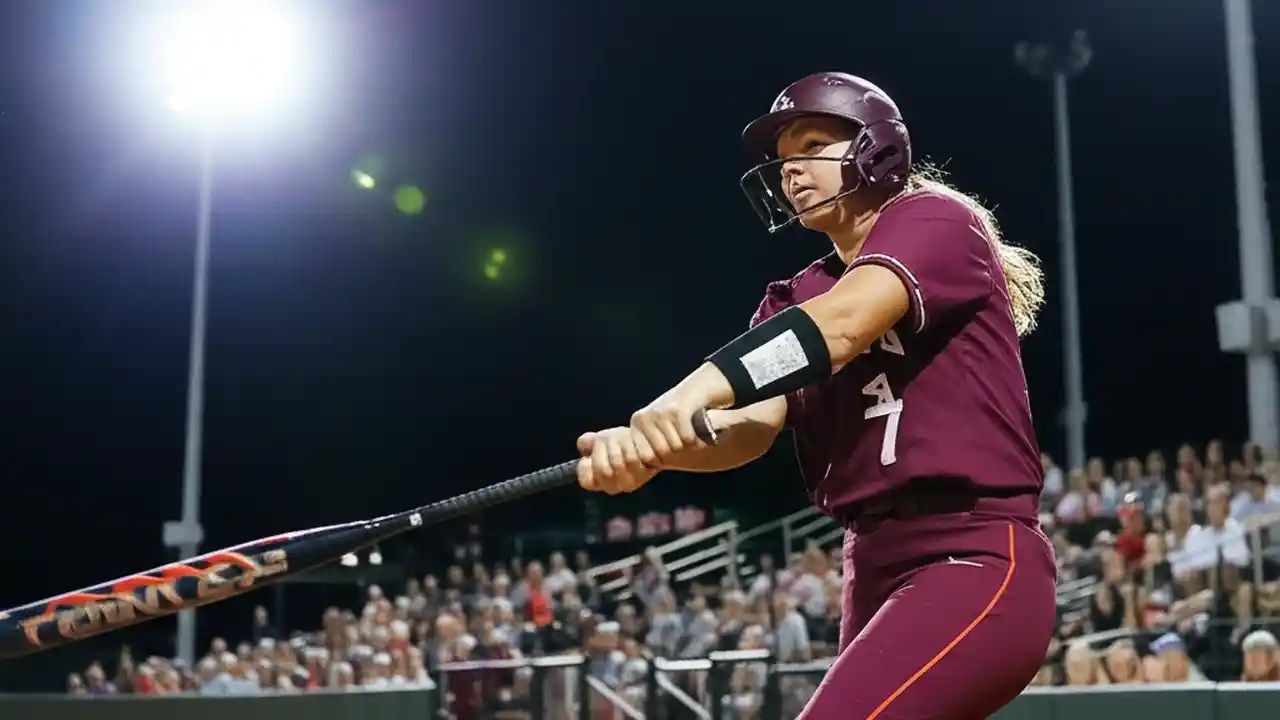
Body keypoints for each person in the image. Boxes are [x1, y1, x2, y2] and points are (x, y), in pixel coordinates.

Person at [575, 71, 1057, 718]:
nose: (788, 172)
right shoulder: (791, 297)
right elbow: (748, 428)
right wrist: (656, 448)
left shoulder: (938, 220)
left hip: (971, 551)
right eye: (780, 162)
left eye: (809, 147)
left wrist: (687, 392)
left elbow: (842, 326)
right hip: (871, 564)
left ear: (875, 148)